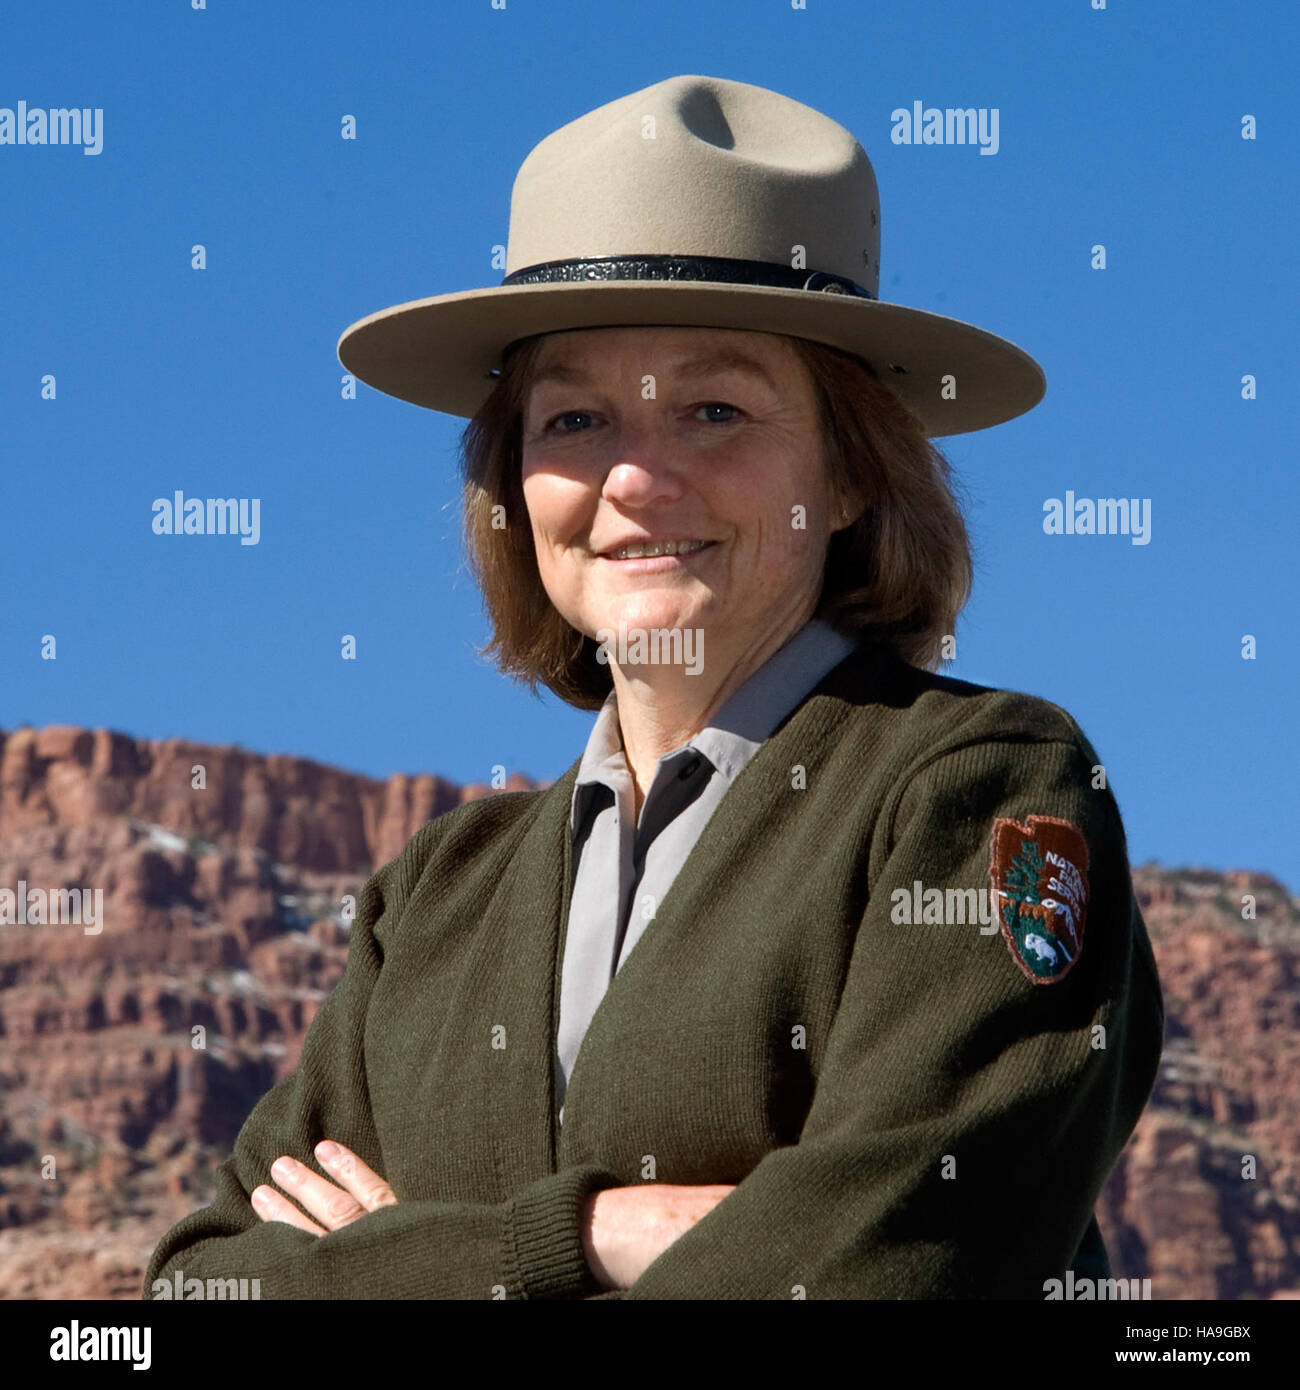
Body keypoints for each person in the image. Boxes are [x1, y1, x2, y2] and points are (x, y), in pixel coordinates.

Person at [143, 73, 1164, 1300]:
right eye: (573, 421)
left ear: (848, 477)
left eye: (714, 408)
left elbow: (900, 1266)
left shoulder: (971, 788)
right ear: (512, 492)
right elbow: (201, 1287)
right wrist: (602, 1235)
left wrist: (403, 1261)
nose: (633, 477)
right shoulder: (431, 900)